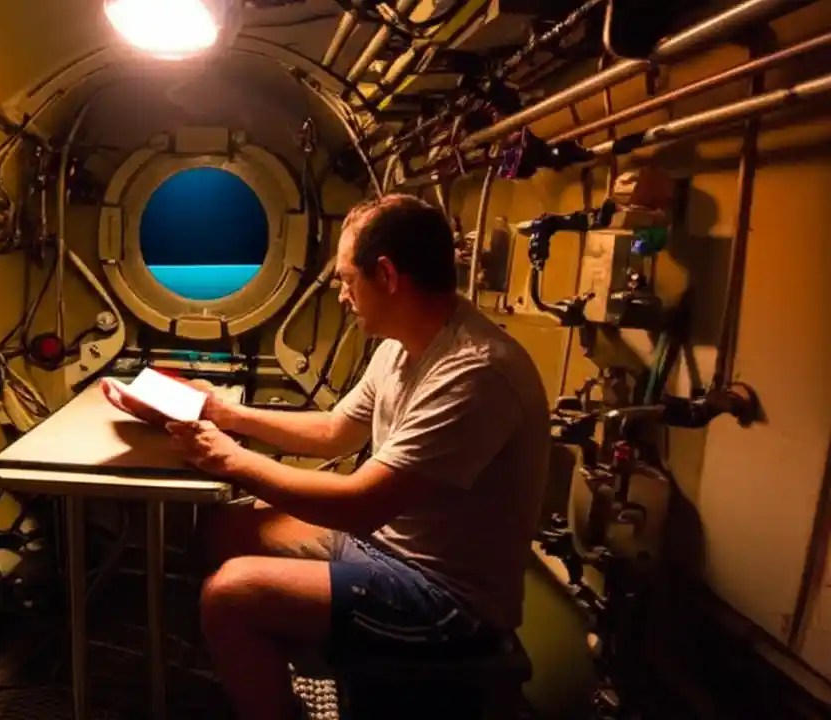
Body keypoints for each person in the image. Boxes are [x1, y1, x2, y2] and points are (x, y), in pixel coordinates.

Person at [106, 193, 550, 720]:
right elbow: (336, 431)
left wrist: (227, 459)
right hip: (386, 550)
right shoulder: (403, 344)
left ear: (385, 275)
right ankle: (270, 673)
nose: (342, 295)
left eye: (346, 279)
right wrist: (223, 412)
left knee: (228, 595)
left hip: (446, 600)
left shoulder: (474, 373)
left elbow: (360, 506)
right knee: (223, 530)